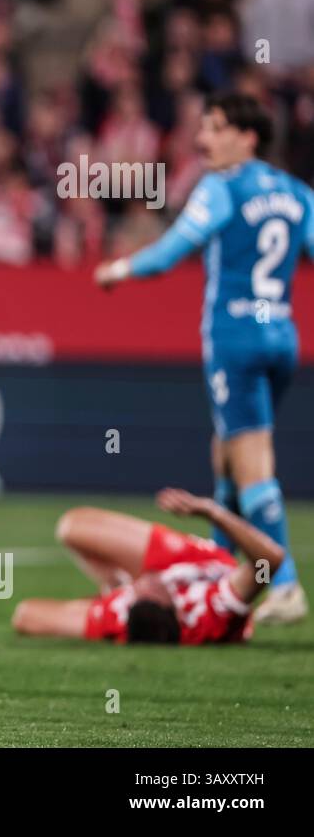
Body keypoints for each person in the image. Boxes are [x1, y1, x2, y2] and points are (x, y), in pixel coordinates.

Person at [96, 92, 310, 624]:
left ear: (249, 136)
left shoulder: (221, 188)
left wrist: (117, 271)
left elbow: (171, 251)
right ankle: (216, 562)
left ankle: (282, 585)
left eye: (214, 128)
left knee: (251, 458)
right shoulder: (297, 193)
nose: (202, 140)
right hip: (279, 332)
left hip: (235, 336)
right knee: (226, 457)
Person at [12, 488, 286, 644]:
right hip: (190, 562)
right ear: (172, 603)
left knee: (71, 527)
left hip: (138, 596)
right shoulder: (212, 607)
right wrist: (213, 513)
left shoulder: (118, 616)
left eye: (134, 591)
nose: (140, 583)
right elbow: (269, 561)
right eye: (144, 587)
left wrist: (112, 594)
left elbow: (24, 615)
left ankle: (112, 581)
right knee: (73, 528)